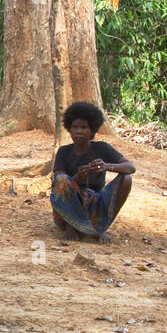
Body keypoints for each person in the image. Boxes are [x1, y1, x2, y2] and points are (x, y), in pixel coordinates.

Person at [50, 102, 135, 243]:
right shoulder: (64, 151)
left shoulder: (102, 148)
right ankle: (72, 226)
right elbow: (58, 180)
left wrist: (107, 166)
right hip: (70, 206)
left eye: (84, 127)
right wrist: (78, 177)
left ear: (92, 130)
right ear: (69, 129)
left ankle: (100, 227)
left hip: (95, 204)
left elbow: (130, 167)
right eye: (75, 127)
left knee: (126, 179)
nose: (79, 131)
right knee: (62, 180)